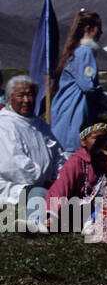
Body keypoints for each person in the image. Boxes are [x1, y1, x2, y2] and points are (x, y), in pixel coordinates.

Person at [49, 10, 107, 152]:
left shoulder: (73, 52)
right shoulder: (85, 52)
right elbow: (88, 86)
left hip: (64, 115)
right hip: (75, 114)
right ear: (88, 29)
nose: (101, 33)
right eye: (99, 29)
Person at [0, 75, 64, 228]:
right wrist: (43, 180)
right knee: (38, 193)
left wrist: (60, 178)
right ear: (9, 99)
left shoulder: (41, 125)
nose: (26, 100)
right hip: (15, 185)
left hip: (47, 184)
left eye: (30, 94)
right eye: (20, 95)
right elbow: (13, 165)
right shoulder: (4, 125)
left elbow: (58, 156)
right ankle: (33, 221)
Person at [46, 122, 107, 230]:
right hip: (77, 205)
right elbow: (62, 186)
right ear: (83, 142)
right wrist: (52, 212)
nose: (101, 142)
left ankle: (94, 222)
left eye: (105, 137)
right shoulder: (76, 162)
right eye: (96, 138)